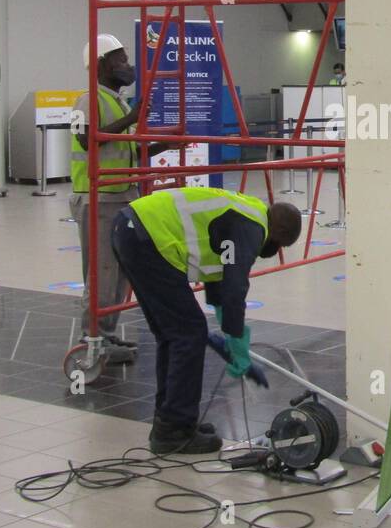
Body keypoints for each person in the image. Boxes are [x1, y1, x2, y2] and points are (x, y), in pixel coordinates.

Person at [112, 186, 302, 454]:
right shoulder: (252, 227)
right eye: (280, 246)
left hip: (132, 229)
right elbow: (235, 287)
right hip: (150, 238)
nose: (273, 251)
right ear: (278, 234)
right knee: (187, 333)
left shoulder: (246, 210)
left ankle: (170, 420)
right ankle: (175, 428)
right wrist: (237, 341)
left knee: (173, 333)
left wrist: (227, 332)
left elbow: (221, 280)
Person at [71, 34, 148, 364]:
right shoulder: (86, 100)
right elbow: (87, 140)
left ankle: (107, 334)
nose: (127, 67)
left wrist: (162, 148)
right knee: (102, 272)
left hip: (121, 194)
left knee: (119, 272)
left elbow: (122, 150)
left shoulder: (117, 101)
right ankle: (93, 340)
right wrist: (131, 121)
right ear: (100, 64)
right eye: (119, 60)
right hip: (98, 198)